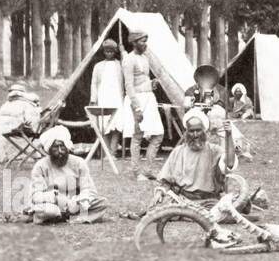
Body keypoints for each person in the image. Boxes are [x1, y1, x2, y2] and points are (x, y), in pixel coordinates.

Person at [29, 126, 107, 224]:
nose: (60, 151)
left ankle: (66, 218)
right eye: (55, 147)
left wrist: (78, 201)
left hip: (75, 204)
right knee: (47, 210)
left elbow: (89, 190)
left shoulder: (79, 163)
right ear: (49, 149)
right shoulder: (40, 166)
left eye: (62, 146)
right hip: (52, 205)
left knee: (102, 203)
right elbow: (36, 196)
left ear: (68, 147)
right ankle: (67, 217)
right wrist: (56, 197)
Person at [113, 29, 164, 177]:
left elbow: (144, 77)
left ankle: (148, 170)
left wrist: (151, 83)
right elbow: (129, 85)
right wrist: (137, 107)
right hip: (137, 100)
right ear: (134, 43)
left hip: (149, 98)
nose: (145, 44)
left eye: (146, 41)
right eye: (142, 41)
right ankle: (136, 171)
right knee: (137, 136)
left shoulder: (145, 58)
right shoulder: (128, 60)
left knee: (158, 134)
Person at [157, 109, 237, 201]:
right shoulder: (178, 152)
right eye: (191, 131)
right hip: (182, 199)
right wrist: (160, 192)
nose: (195, 135)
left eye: (198, 130)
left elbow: (230, 163)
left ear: (204, 130)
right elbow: (165, 181)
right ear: (186, 132)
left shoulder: (215, 151)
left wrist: (229, 135)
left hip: (208, 201)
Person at [88, 38, 125, 158]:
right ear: (103, 52)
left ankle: (113, 151)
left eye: (111, 51)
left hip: (116, 97)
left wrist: (123, 51)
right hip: (103, 97)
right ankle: (106, 153)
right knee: (104, 125)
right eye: (106, 51)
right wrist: (93, 99)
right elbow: (93, 83)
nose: (109, 53)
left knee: (116, 125)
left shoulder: (120, 65)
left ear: (115, 52)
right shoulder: (98, 66)